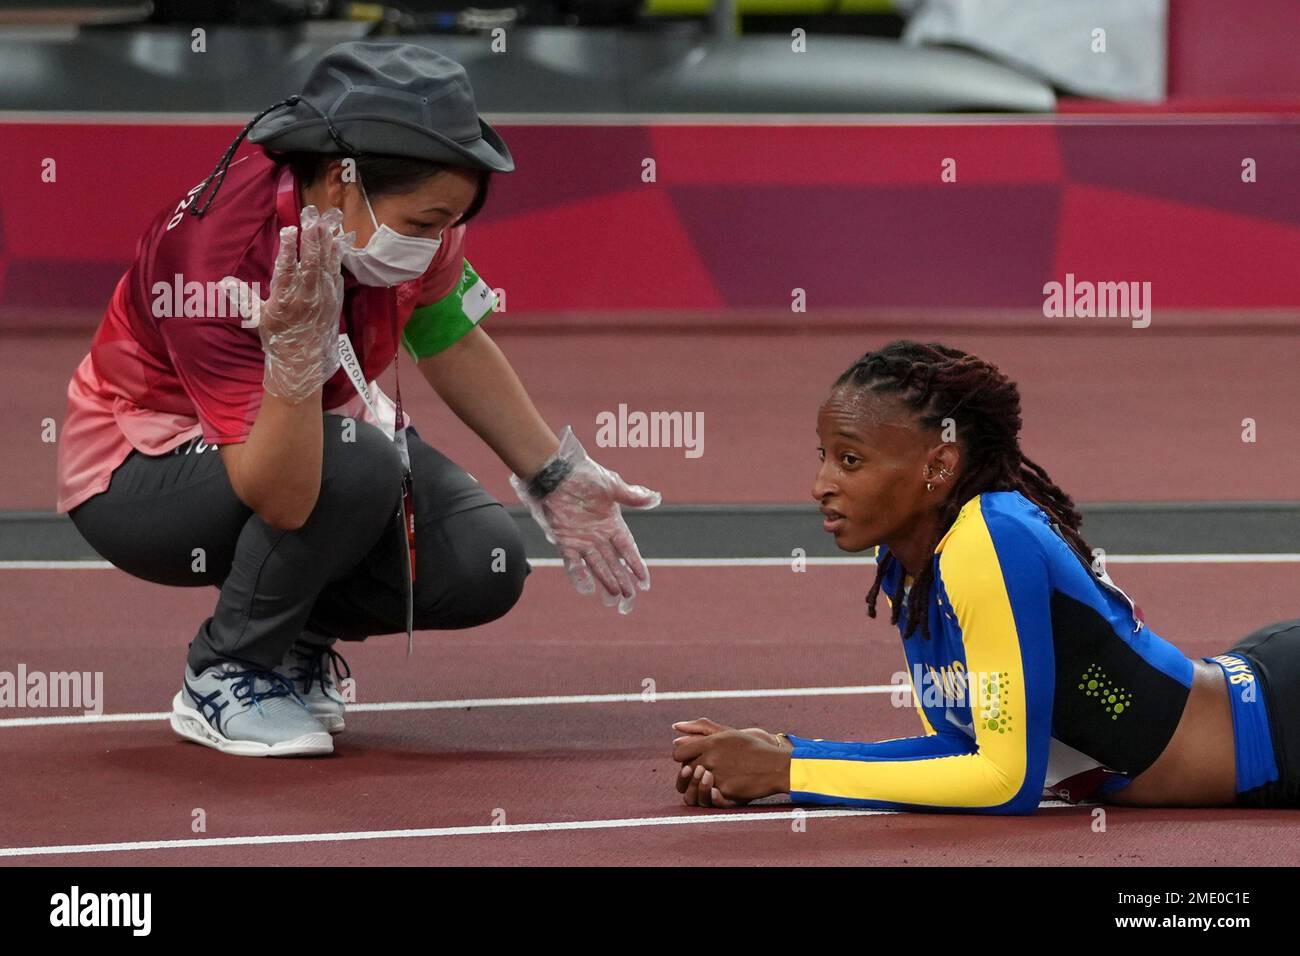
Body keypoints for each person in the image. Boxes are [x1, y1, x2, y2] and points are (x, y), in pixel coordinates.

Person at [56, 41, 660, 758]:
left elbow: (450, 337)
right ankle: (225, 673)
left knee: (482, 560)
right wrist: (294, 359)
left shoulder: (403, 216)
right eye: (424, 223)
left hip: (323, 434)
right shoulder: (216, 253)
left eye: (447, 223)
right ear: (343, 180)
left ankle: (293, 643)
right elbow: (275, 494)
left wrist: (554, 475)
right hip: (141, 472)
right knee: (357, 464)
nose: (435, 241)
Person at [671, 340, 1298, 811]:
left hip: (1282, 727)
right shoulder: (906, 566)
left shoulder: (988, 540)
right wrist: (784, 750)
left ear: (938, 466)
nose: (820, 485)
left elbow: (1006, 783)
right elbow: (964, 752)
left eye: (851, 460)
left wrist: (788, 773)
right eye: (824, 456)